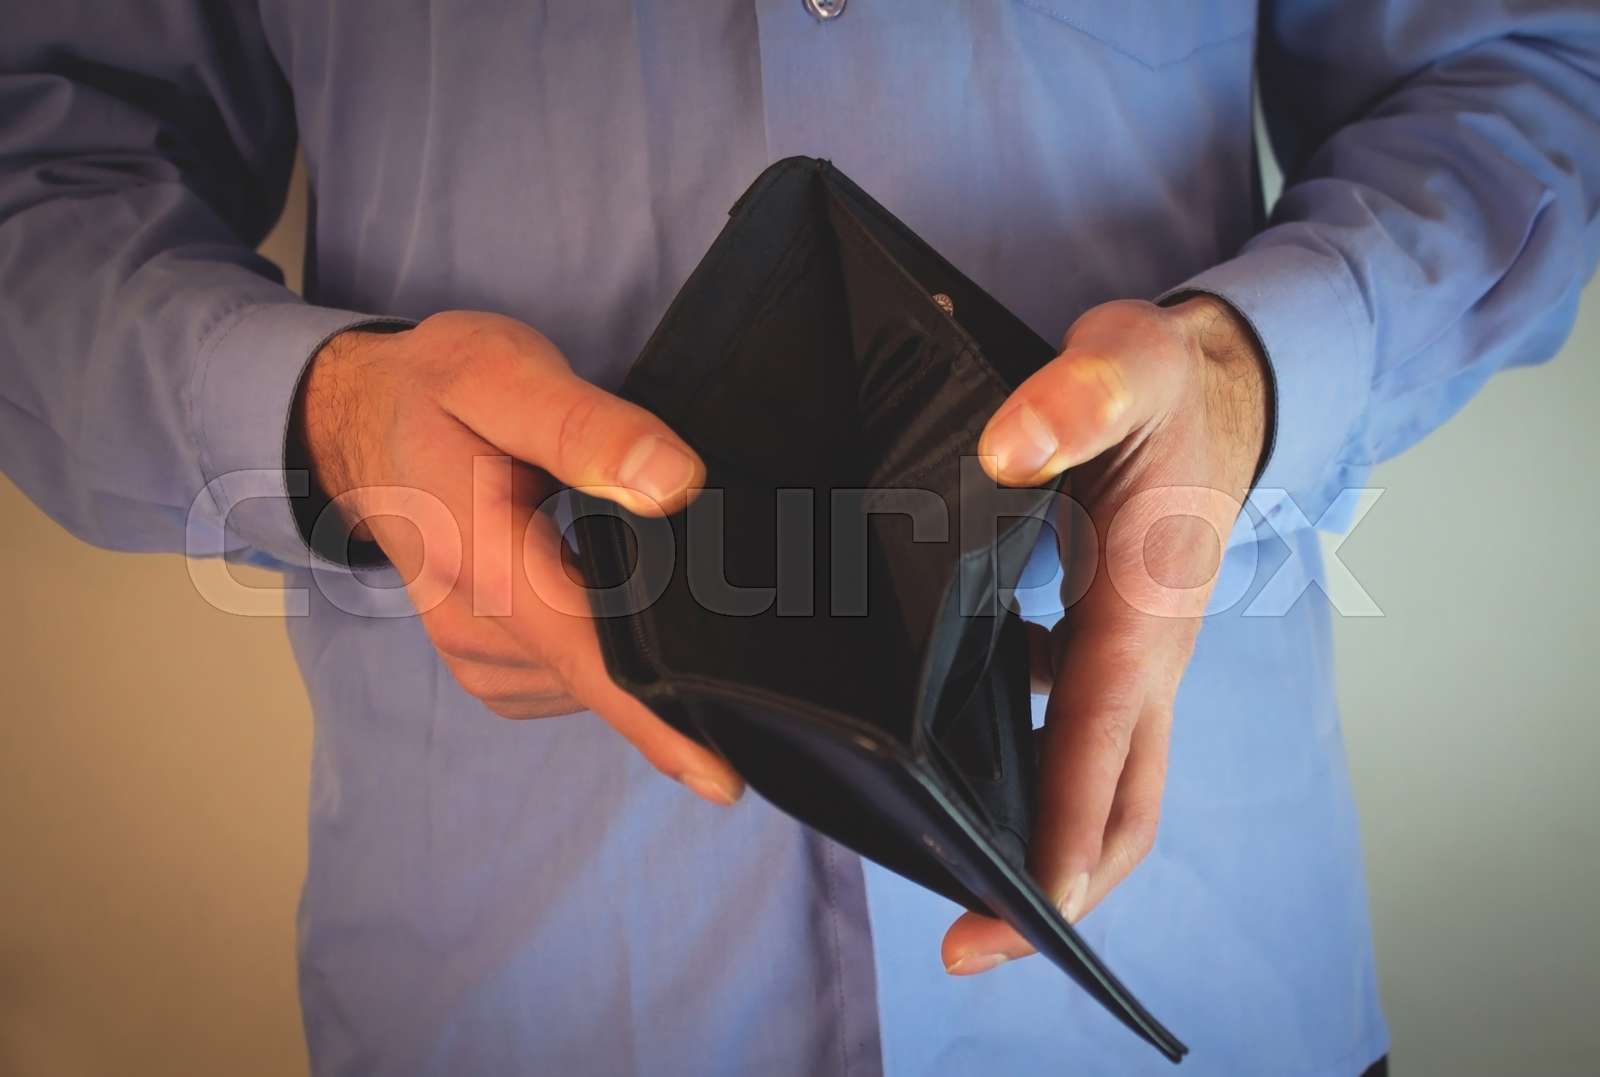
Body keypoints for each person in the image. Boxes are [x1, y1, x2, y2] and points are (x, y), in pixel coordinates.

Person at [3, 2, 1596, 1074]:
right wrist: (336, 426)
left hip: (1203, 969)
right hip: (510, 993)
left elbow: (1523, 77)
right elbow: (41, 171)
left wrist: (1254, 373)